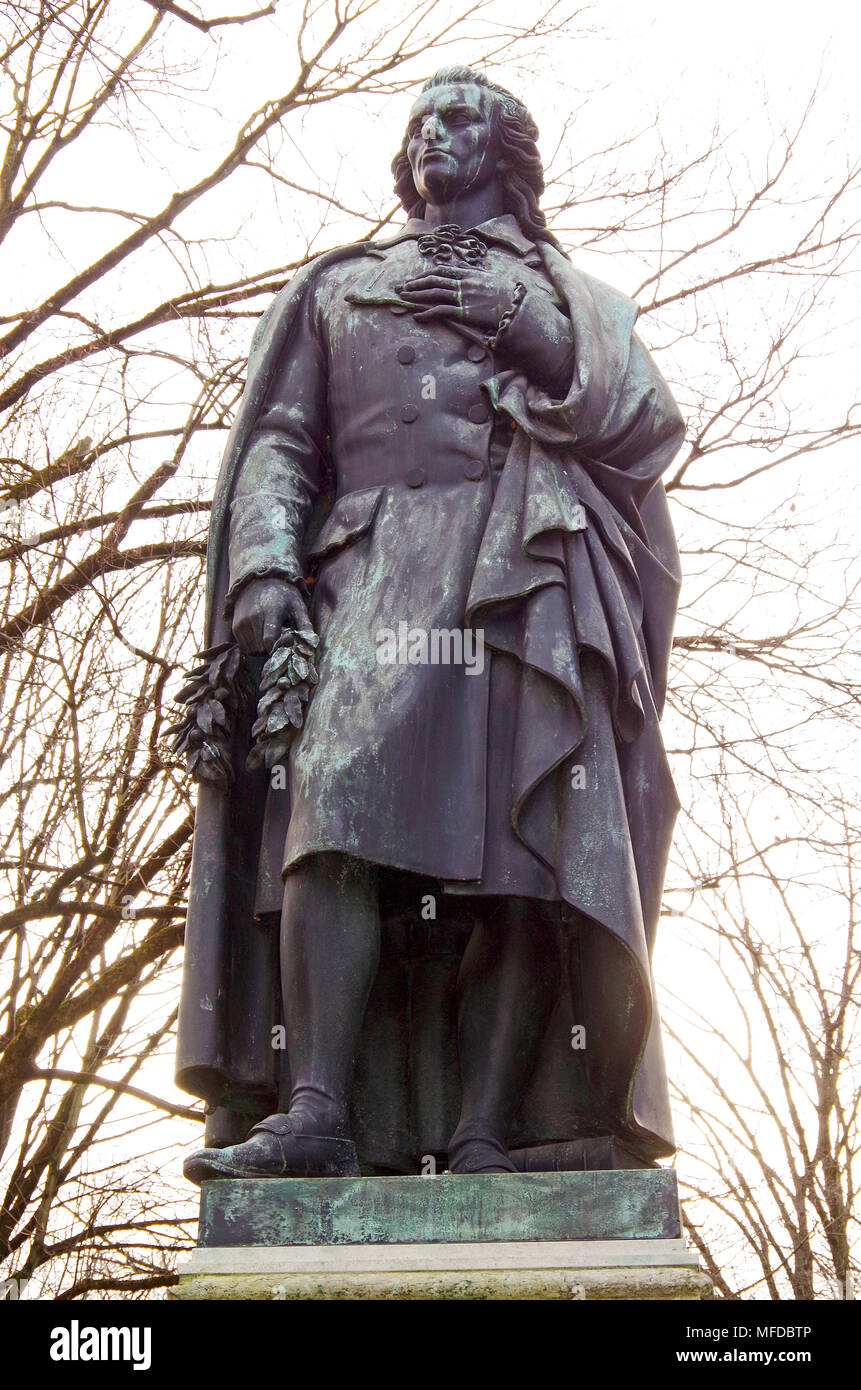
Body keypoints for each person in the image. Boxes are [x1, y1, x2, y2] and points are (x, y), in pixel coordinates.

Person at [179, 67, 685, 1182]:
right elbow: (280, 441)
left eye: (458, 118)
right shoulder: (338, 286)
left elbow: (645, 425)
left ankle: (491, 1127)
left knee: (521, 844)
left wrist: (525, 330)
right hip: (367, 576)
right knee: (334, 807)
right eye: (417, 122)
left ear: (505, 147)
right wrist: (261, 565)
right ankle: (315, 1105)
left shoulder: (570, 296)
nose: (431, 135)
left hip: (522, 576)